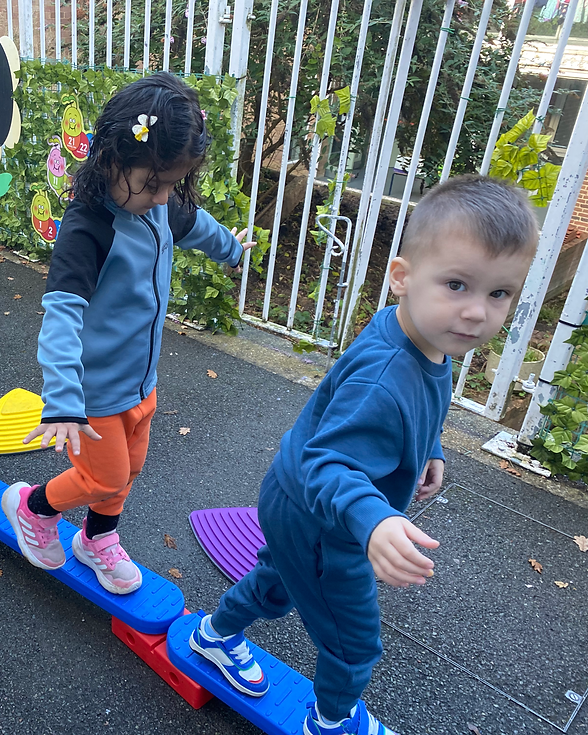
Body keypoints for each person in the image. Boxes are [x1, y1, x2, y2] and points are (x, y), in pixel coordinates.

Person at [190, 175, 538, 734]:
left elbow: (418, 407)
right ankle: (329, 723)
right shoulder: (385, 376)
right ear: (401, 277)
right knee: (353, 641)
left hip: (296, 496)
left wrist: (429, 447)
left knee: (280, 580)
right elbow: (329, 461)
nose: (478, 312)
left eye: (499, 293)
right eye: (457, 284)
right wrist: (373, 519)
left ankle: (214, 634)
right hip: (326, 516)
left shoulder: (423, 333)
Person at [1, 73, 255, 595]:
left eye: (171, 186)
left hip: (141, 384)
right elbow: (61, 314)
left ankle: (96, 539)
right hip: (93, 391)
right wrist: (63, 399)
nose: (162, 198)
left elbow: (194, 223)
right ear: (113, 158)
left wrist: (230, 249)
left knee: (129, 469)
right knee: (104, 477)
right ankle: (32, 506)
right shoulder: (88, 226)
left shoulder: (156, 199)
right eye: (153, 184)